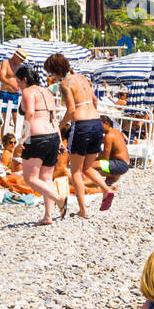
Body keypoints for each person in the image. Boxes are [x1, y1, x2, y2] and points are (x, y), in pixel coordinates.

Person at [44, 52, 116, 216]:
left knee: (76, 170)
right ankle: (106, 189)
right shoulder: (83, 78)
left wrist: (59, 126)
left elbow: (71, 110)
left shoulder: (65, 84)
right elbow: (95, 101)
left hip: (81, 125)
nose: (52, 76)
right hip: (96, 123)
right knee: (88, 167)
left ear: (56, 70)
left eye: (51, 73)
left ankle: (83, 210)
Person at [14, 65, 62, 226]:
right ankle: (48, 216)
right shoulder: (47, 91)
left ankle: (59, 199)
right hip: (53, 136)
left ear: (25, 79)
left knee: (30, 178)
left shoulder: (28, 92)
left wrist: (25, 137)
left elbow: (30, 113)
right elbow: (54, 117)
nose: (17, 84)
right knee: (46, 178)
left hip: (37, 137)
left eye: (18, 81)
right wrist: (61, 141)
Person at [96, 115, 132, 185]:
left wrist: (94, 160)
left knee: (89, 167)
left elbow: (105, 158)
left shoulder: (109, 136)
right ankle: (111, 179)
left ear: (106, 123)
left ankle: (114, 175)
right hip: (125, 164)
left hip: (119, 164)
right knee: (97, 166)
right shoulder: (117, 132)